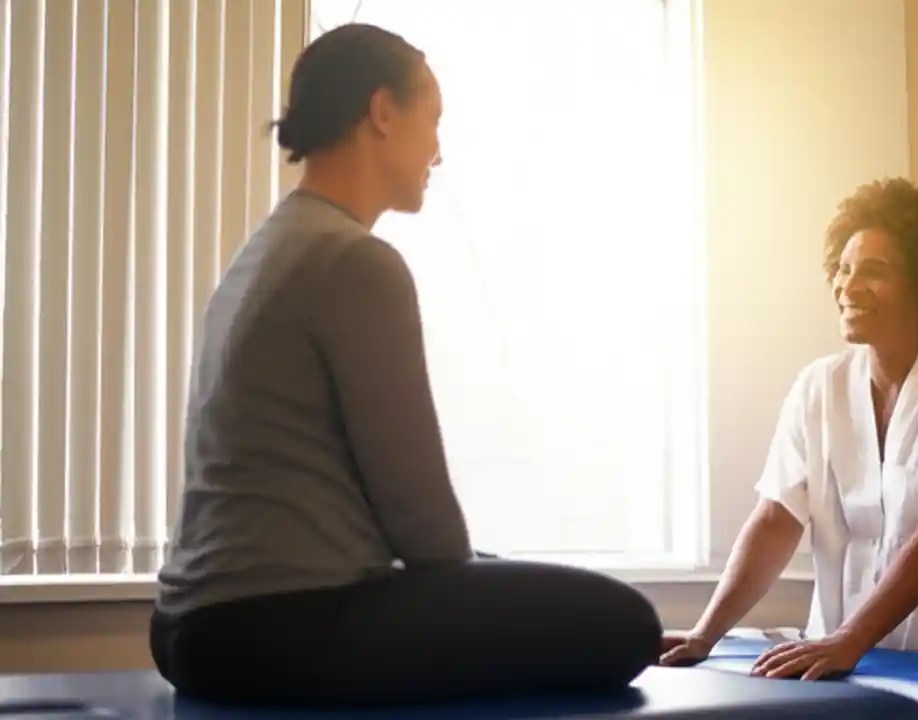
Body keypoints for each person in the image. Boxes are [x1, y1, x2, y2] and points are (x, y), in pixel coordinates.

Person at [151, 23, 660, 706]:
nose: (439, 152)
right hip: (272, 626)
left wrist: (486, 583)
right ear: (382, 112)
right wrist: (476, 593)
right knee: (623, 622)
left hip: (190, 624)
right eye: (434, 120)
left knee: (511, 581)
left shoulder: (271, 248)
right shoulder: (355, 261)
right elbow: (422, 524)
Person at [661, 178, 918, 680]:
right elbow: (776, 520)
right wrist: (705, 634)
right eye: (844, 268)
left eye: (874, 272)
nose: (849, 286)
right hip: (848, 669)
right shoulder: (819, 387)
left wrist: (850, 640)